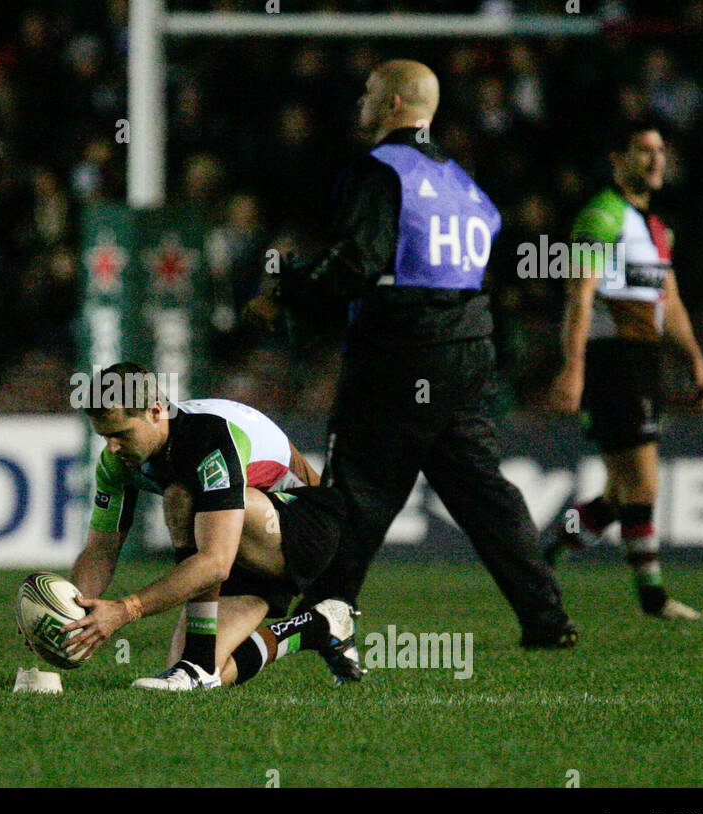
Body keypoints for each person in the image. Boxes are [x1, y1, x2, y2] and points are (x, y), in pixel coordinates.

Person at [244, 59, 576, 648]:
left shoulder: (380, 170)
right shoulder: (467, 184)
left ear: (395, 104)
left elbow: (356, 261)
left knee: (354, 492)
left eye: (370, 91)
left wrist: (288, 291)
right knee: (485, 494)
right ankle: (547, 618)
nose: (362, 101)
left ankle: (323, 616)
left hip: (400, 347)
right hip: (470, 345)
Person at [59, 363, 363, 690]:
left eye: (121, 434)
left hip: (308, 523)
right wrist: (69, 614)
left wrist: (125, 610)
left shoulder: (208, 436)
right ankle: (317, 627)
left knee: (181, 495)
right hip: (243, 540)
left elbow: (215, 563)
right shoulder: (115, 463)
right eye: (105, 437)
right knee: (203, 674)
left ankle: (199, 662)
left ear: (155, 411)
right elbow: (101, 550)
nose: (113, 448)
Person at [545, 119, 703, 622]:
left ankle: (544, 555)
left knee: (623, 493)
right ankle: (654, 598)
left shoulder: (657, 228)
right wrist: (573, 369)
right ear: (617, 160)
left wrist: (695, 360)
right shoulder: (601, 216)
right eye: (643, 150)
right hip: (611, 360)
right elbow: (578, 297)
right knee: (641, 485)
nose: (656, 160)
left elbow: (672, 302)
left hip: (642, 361)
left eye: (660, 151)